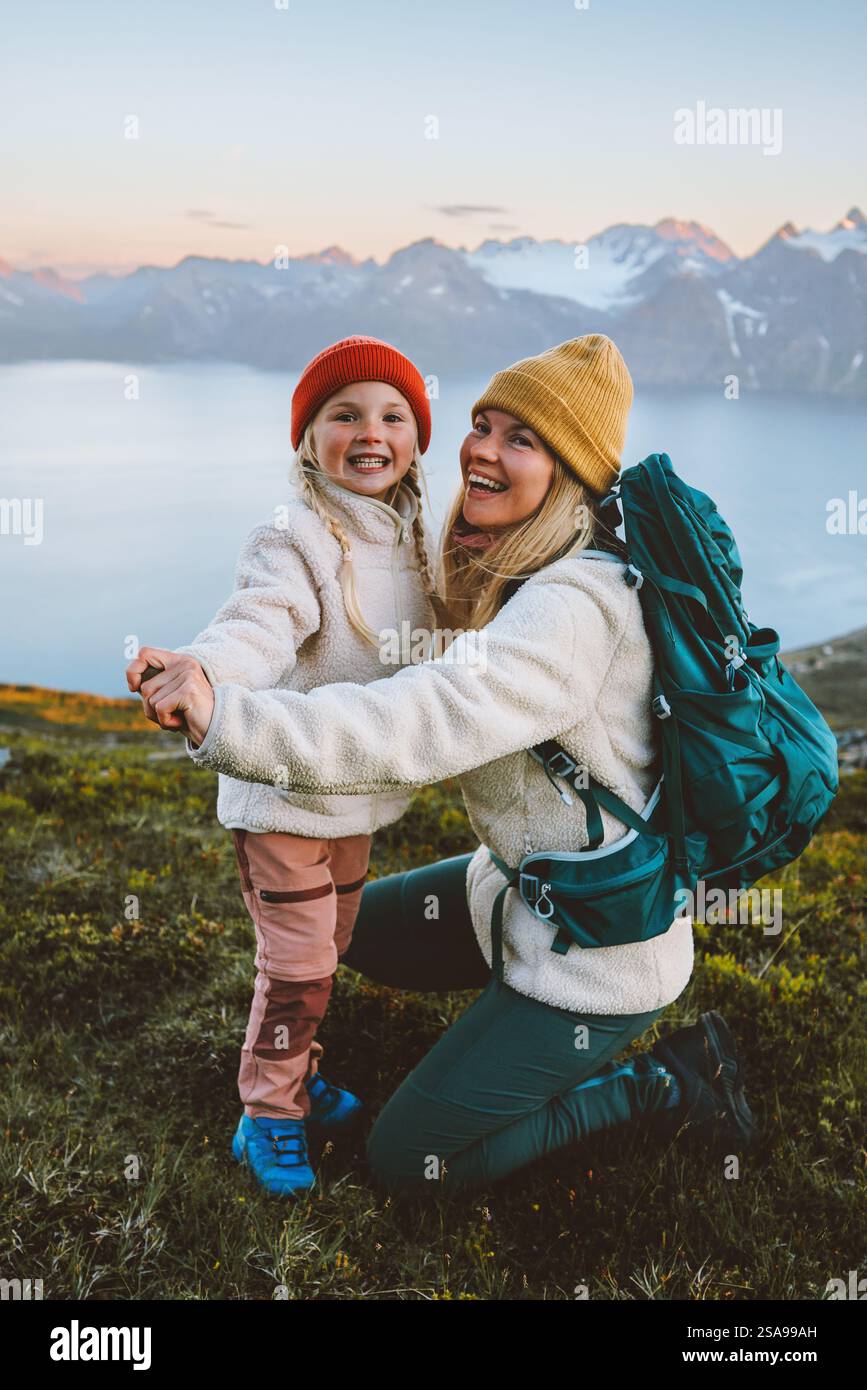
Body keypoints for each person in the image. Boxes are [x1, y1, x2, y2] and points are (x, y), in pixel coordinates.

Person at [137, 334, 757, 1197]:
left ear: (571, 471)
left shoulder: (570, 609)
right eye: (482, 424)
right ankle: (455, 1039)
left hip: (594, 945)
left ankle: (665, 1083)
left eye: (521, 439)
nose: (481, 451)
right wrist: (209, 661)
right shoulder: (504, 560)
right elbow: (273, 612)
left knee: (410, 1161)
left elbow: (416, 719)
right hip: (512, 892)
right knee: (342, 934)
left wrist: (227, 716)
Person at [126, 336, 439, 1195]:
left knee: (325, 955)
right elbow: (257, 624)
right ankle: (267, 1113)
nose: (370, 432)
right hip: (280, 800)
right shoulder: (291, 537)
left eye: (393, 416)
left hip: (353, 799)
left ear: (416, 439)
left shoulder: (419, 538)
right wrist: (202, 670)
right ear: (308, 438)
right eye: (344, 415)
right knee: (297, 970)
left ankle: (295, 1074)